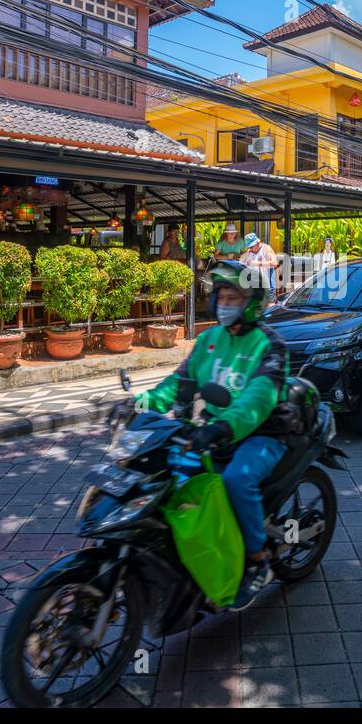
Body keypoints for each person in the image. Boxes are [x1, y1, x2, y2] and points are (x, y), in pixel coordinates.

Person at [135, 261, 288, 609]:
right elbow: (179, 384)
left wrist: (222, 428)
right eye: (222, 295)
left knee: (236, 480)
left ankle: (257, 561)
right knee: (169, 475)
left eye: (235, 297)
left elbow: (258, 399)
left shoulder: (271, 345)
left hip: (261, 435)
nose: (225, 303)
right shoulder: (208, 339)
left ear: (252, 303)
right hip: (214, 432)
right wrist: (139, 404)